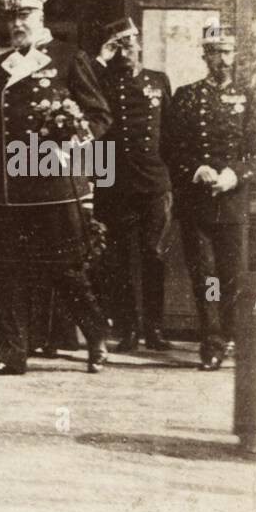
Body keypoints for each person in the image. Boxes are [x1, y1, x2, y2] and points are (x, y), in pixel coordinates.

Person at [0, 0, 111, 376]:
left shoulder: (68, 57)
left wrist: (73, 140)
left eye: (24, 16)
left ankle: (95, 335)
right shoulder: (6, 63)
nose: (17, 24)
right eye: (12, 18)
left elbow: (99, 115)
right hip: (12, 186)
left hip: (54, 183)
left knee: (65, 269)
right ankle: (11, 355)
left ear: (40, 17)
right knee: (6, 270)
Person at [166, 25, 256, 370]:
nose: (224, 60)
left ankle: (231, 333)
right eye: (217, 53)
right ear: (205, 56)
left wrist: (235, 174)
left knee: (232, 275)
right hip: (199, 204)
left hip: (232, 203)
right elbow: (173, 147)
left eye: (229, 53)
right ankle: (213, 340)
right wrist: (197, 168)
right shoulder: (187, 96)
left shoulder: (248, 97)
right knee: (208, 278)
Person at [90, 18, 175, 353]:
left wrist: (170, 178)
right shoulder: (105, 80)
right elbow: (83, 97)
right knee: (120, 260)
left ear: (139, 43)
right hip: (116, 183)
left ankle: (154, 329)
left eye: (129, 43)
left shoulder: (158, 80)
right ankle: (128, 330)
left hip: (153, 181)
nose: (125, 51)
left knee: (154, 255)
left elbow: (170, 132)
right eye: (118, 45)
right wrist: (101, 58)